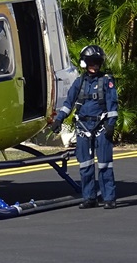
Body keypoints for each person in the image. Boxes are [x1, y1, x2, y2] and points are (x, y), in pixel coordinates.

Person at [51, 44, 119, 209]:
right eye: (90, 62)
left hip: (102, 128)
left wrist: (110, 126)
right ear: (84, 63)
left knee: (105, 165)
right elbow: (68, 103)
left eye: (96, 62)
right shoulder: (79, 82)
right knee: (85, 165)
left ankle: (109, 198)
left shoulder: (107, 82)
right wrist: (59, 119)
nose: (93, 66)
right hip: (83, 128)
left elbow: (112, 106)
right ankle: (89, 197)